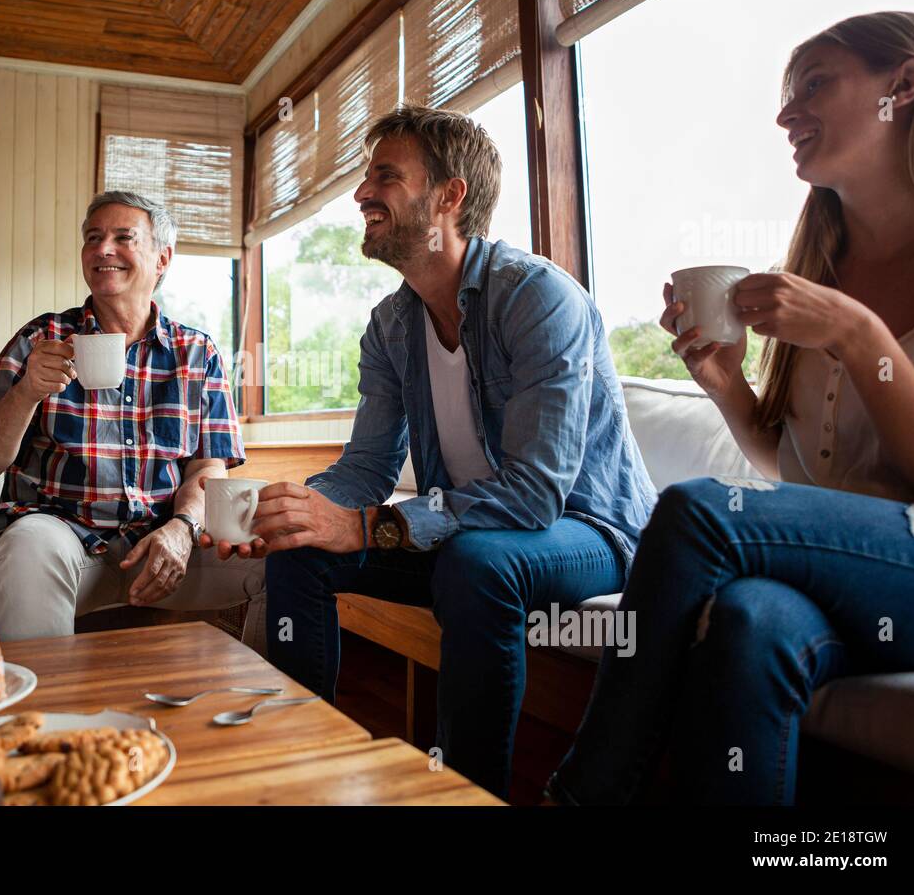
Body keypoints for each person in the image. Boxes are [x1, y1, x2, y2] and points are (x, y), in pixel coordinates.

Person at [205, 105, 657, 800]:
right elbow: (365, 470)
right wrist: (290, 512)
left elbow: (535, 494)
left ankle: (468, 794)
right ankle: (297, 771)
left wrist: (361, 525)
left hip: (588, 531)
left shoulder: (539, 299)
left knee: (478, 565)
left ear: (451, 196)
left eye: (385, 175)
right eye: (366, 176)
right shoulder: (390, 324)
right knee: (301, 547)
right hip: (468, 534)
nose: (361, 193)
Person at [548, 11, 914, 805]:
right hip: (844, 570)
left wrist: (859, 335)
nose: (785, 115)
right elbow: (790, 470)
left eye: (814, 85)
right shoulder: (817, 263)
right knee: (749, 623)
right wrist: (726, 384)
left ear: (905, 84)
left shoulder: (837, 304)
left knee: (695, 511)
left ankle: (583, 795)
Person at [0, 190, 264, 649]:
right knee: (29, 547)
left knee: (283, 560)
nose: (103, 248)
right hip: (59, 534)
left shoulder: (197, 353)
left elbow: (207, 469)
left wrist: (182, 529)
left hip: (161, 540)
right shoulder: (41, 338)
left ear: (162, 258)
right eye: (93, 238)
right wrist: (26, 392)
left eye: (124, 237)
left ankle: (270, 710)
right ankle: (39, 716)